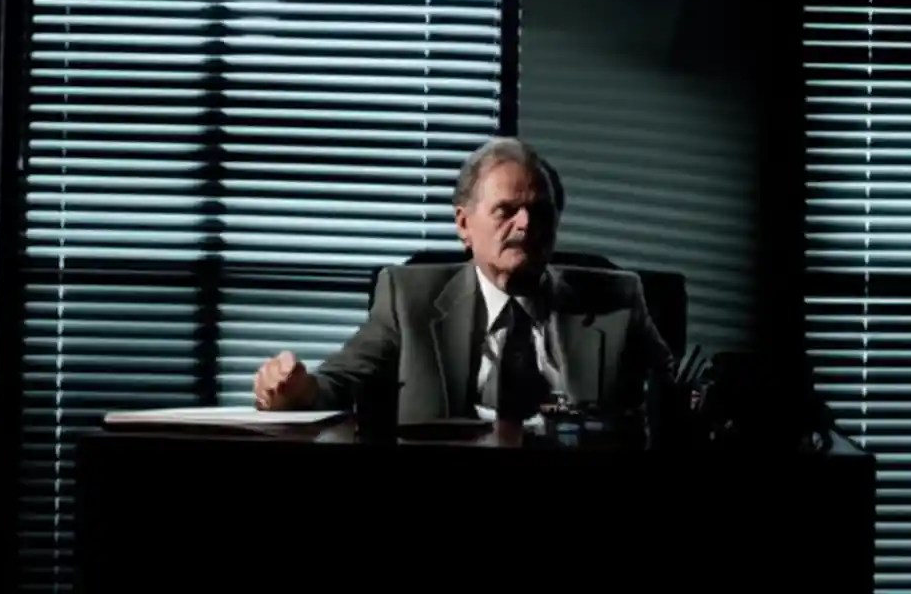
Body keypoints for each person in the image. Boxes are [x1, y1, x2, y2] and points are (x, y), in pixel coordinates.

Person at [252, 136, 685, 445]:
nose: (526, 225)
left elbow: (679, 399)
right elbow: (339, 383)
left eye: (540, 212)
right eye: (506, 211)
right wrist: (296, 392)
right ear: (463, 224)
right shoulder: (408, 297)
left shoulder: (617, 299)